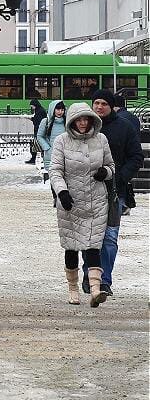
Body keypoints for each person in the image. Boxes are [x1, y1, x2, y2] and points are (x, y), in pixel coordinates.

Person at [49, 103, 115, 307]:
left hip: (96, 201)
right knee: (71, 247)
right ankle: (73, 288)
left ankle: (96, 289)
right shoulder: (61, 141)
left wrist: (105, 172)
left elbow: (111, 166)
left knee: (94, 245)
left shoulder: (101, 139)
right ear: (72, 121)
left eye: (86, 119)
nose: (83, 123)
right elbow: (55, 170)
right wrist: (62, 192)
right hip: (70, 202)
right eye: (79, 120)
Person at [80, 90, 143, 296]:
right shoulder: (83, 126)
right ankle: (90, 275)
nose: (99, 107)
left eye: (103, 104)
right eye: (96, 103)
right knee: (88, 237)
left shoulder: (124, 128)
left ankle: (104, 280)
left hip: (114, 192)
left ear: (111, 106)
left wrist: (119, 178)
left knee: (109, 237)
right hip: (87, 191)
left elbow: (136, 157)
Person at [36, 100, 66, 183]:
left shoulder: (67, 123)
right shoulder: (45, 122)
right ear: (53, 109)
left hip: (65, 156)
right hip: (51, 156)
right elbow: (39, 136)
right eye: (58, 109)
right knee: (54, 180)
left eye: (62, 110)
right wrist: (48, 148)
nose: (60, 112)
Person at [26, 98, 47, 164]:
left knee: (37, 145)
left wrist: (31, 118)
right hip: (39, 130)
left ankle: (36, 159)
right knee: (36, 145)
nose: (31, 107)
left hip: (39, 131)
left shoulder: (40, 111)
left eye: (32, 106)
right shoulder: (39, 110)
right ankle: (39, 158)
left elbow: (38, 121)